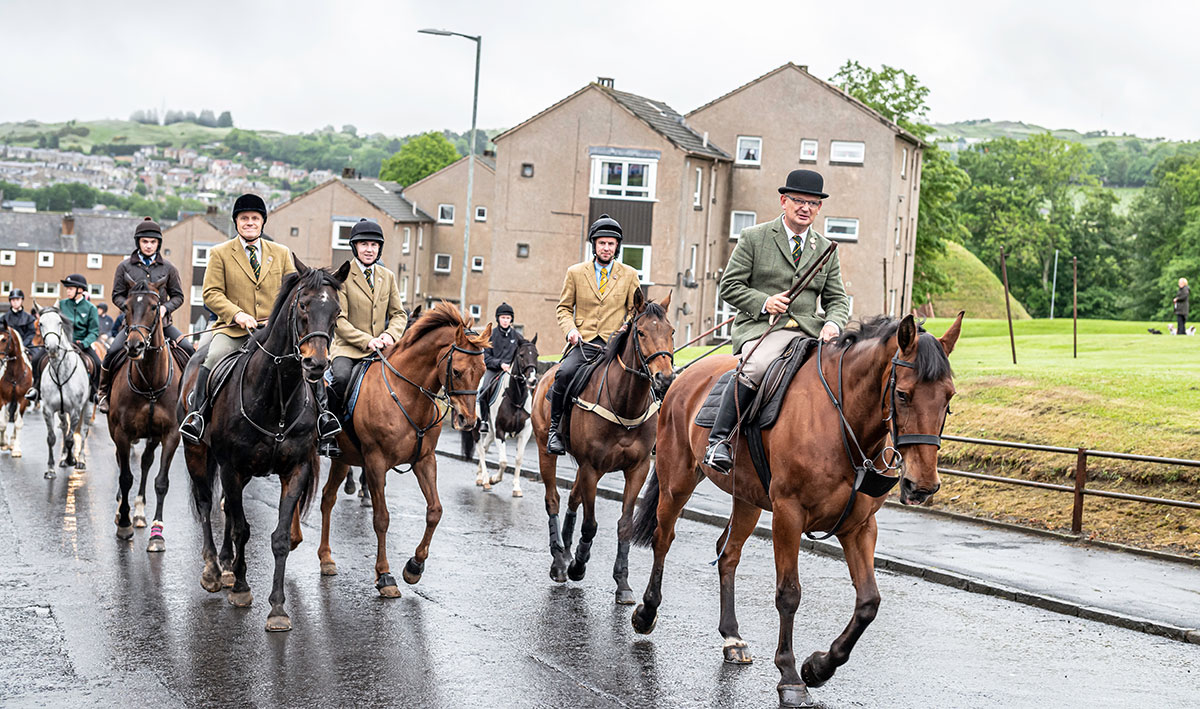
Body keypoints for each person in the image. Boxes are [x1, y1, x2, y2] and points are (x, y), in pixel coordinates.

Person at [703, 169, 851, 474]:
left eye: (812, 203)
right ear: (783, 201)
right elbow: (729, 286)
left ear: (819, 208)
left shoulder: (826, 249)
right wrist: (764, 302)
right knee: (755, 366)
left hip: (812, 331)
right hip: (764, 328)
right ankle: (718, 441)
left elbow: (837, 299)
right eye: (798, 200)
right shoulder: (754, 238)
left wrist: (834, 323)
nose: (805, 208)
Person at [179, 193, 336, 446]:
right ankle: (197, 415)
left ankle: (324, 416)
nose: (249, 222)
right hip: (233, 329)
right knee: (214, 355)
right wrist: (237, 314)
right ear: (236, 222)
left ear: (262, 222)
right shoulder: (220, 253)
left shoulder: (282, 253)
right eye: (244, 218)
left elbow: (293, 293)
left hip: (273, 331)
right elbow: (211, 293)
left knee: (306, 360)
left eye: (254, 218)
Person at [545, 214, 643, 456]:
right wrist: (571, 330)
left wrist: (626, 327)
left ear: (617, 246)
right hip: (584, 343)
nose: (606, 248)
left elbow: (636, 310)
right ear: (594, 245)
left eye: (611, 243)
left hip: (616, 344)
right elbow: (564, 308)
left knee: (646, 378)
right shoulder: (575, 273)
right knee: (564, 374)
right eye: (602, 243)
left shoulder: (630, 274)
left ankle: (649, 432)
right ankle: (555, 430)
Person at [96, 217, 193, 413]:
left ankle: (190, 396)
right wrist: (131, 308)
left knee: (189, 350)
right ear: (138, 242)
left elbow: (178, 296)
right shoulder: (125, 267)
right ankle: (103, 393)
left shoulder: (169, 268)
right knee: (112, 352)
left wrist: (165, 308)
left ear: (158, 244)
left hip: (162, 325)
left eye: (153, 242)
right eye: (145, 241)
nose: (149, 246)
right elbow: (117, 295)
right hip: (133, 326)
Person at [327, 218, 406, 457]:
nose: (369, 249)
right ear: (355, 247)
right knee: (340, 379)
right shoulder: (341, 276)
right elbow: (339, 320)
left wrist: (390, 335)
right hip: (349, 349)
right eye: (364, 244)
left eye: (374, 245)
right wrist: (366, 340)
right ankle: (330, 432)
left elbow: (399, 314)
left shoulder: (388, 276)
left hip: (382, 348)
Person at [26, 274, 102, 402]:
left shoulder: (91, 308)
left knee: (98, 364)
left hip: (81, 344)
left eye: (71, 288)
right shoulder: (60, 305)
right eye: (67, 288)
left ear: (81, 290)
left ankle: (95, 393)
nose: (67, 291)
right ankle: (36, 389)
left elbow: (94, 331)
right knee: (36, 360)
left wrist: (85, 342)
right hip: (59, 344)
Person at [478, 302, 518, 434]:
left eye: (508, 318)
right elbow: (486, 357)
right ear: (498, 319)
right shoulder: (491, 335)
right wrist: (500, 364)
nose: (505, 321)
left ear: (511, 319)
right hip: (494, 370)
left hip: (511, 372)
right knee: (483, 391)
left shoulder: (516, 336)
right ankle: (484, 421)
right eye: (503, 318)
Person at [1, 288, 39, 364]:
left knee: (37, 358)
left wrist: (22, 345)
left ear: (22, 300)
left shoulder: (28, 318)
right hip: (7, 345)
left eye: (17, 299)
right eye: (13, 300)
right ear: (10, 301)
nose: (15, 302)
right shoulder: (4, 318)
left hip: (26, 345)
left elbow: (31, 333)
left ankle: (36, 375)